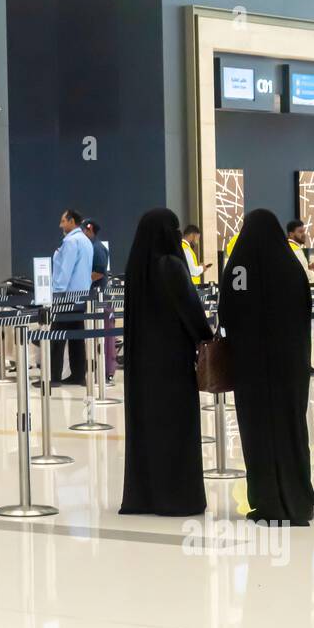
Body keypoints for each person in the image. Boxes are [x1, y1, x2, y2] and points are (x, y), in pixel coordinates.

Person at [219, 210, 314, 526]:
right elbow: (305, 310)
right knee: (290, 429)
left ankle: (266, 502)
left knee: (258, 430)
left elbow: (227, 312)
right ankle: (298, 501)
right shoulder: (290, 266)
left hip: (251, 366)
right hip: (289, 365)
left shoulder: (238, 266)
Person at [120, 208, 213, 516]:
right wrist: (206, 336)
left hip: (141, 364)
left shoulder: (137, 266)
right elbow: (190, 309)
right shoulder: (171, 265)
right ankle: (176, 495)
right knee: (175, 428)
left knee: (147, 427)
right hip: (171, 362)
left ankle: (145, 494)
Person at [46, 208, 92, 386]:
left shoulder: (71, 242)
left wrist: (56, 294)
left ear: (71, 221)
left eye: (63, 221)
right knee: (76, 338)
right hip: (81, 297)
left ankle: (54, 378)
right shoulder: (86, 241)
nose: (60, 225)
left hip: (66, 297)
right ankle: (79, 375)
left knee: (56, 338)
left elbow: (65, 270)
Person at [82, 218, 116, 382]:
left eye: (83, 231)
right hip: (94, 298)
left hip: (101, 299)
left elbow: (100, 272)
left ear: (90, 231)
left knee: (104, 336)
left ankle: (106, 370)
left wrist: (82, 281)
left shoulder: (98, 248)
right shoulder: (90, 247)